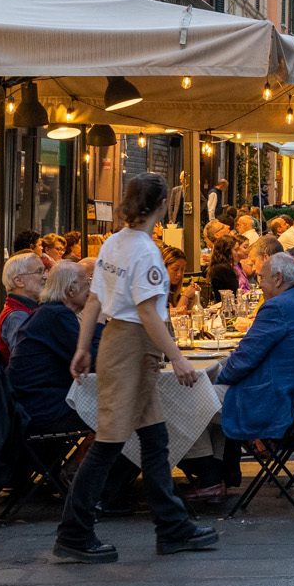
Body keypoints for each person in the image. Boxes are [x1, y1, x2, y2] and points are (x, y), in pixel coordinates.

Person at [53, 172, 219, 564]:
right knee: (109, 442)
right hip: (132, 346)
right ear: (161, 205)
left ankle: (172, 525)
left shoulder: (112, 243)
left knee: (155, 439)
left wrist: (82, 347)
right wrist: (177, 357)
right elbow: (146, 310)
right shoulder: (145, 250)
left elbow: (94, 300)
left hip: (116, 342)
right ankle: (74, 531)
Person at [209, 253, 294, 451]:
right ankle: (222, 467)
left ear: (278, 278)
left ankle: (206, 468)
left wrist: (217, 378)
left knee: (199, 395)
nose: (259, 284)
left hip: (279, 404)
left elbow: (244, 358)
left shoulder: (278, 307)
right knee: (207, 395)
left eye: (261, 278)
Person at [10, 261, 92, 432]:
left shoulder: (49, 312)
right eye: (88, 283)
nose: (92, 290)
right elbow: (94, 359)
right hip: (42, 409)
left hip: (29, 404)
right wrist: (97, 315)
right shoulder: (57, 316)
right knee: (118, 413)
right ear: (71, 290)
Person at [0, 252, 45, 365]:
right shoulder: (17, 316)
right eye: (39, 271)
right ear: (19, 281)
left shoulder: (26, 309)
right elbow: (27, 360)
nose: (45, 276)